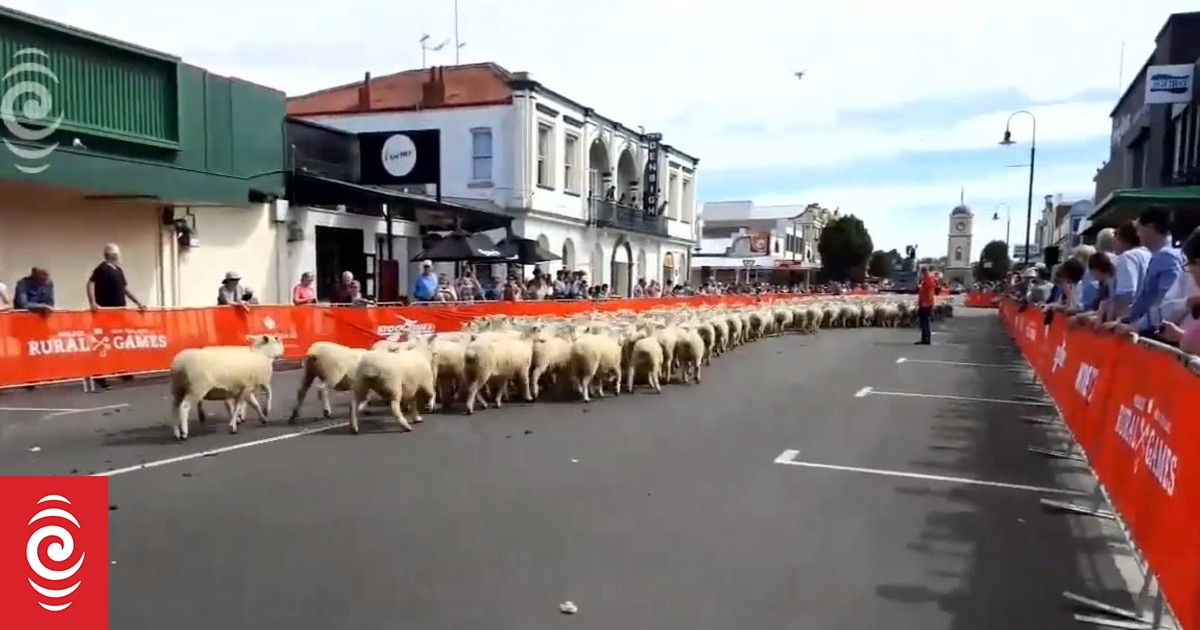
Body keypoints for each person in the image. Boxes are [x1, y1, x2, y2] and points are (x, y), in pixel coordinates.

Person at [87, 243, 147, 390]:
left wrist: (138, 302)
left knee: (119, 342)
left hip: (119, 313)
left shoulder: (118, 270)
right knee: (103, 344)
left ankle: (122, 369)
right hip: (106, 313)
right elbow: (90, 284)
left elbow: (124, 289)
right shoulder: (102, 269)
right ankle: (99, 375)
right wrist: (93, 303)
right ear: (113, 255)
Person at [914, 266, 936, 345]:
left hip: (926, 304)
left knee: (925, 321)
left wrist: (927, 303)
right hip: (923, 303)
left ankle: (926, 339)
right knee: (923, 322)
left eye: (923, 272)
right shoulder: (925, 280)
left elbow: (930, 293)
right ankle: (924, 338)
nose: (922, 274)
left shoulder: (929, 280)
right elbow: (922, 292)